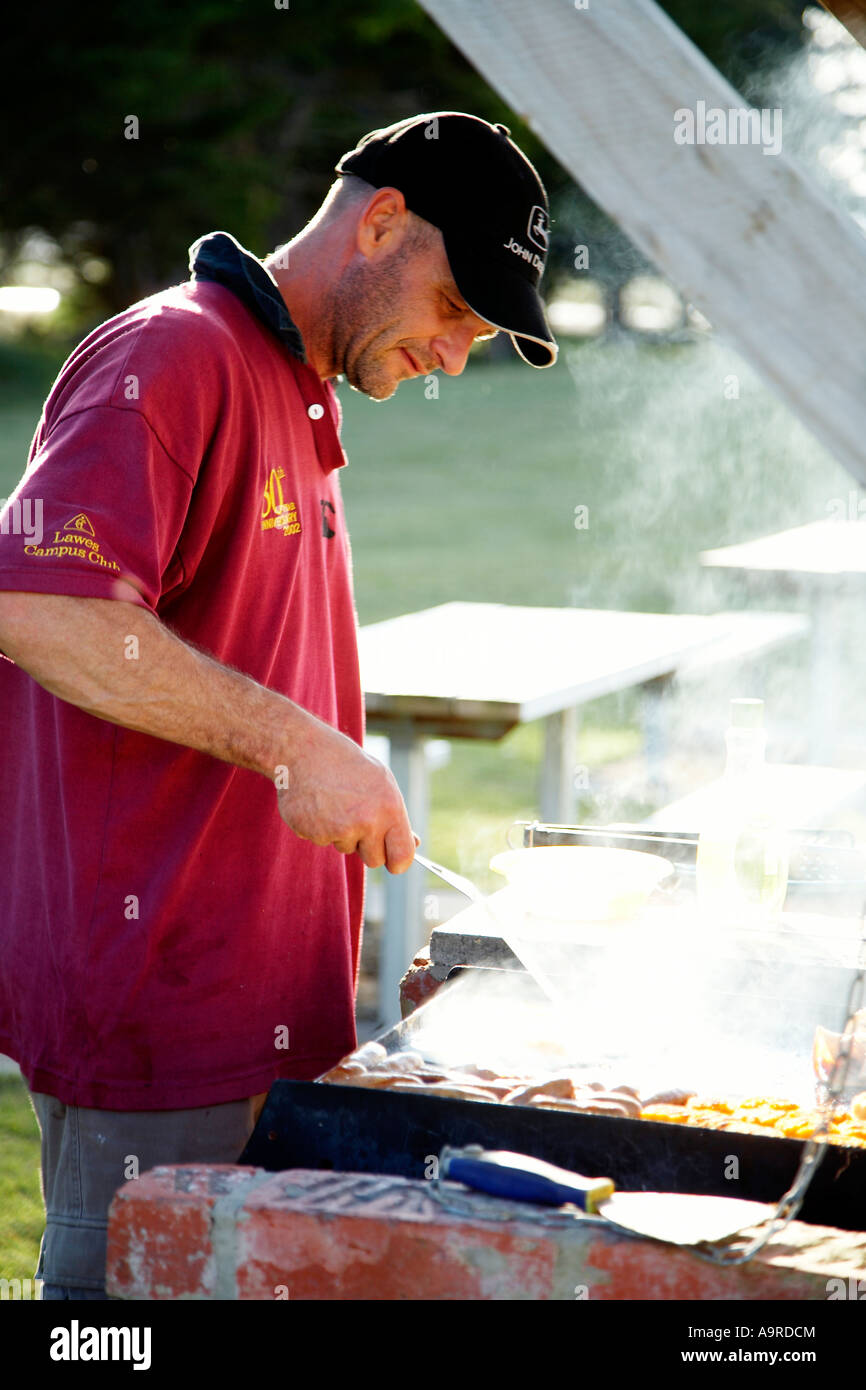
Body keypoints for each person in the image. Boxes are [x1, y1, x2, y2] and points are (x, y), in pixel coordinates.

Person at [0, 111, 557, 1299]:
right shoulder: (176, 354)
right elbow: (41, 609)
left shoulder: (303, 386)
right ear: (382, 223)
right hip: (154, 1025)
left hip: (267, 1017)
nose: (458, 356)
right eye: (458, 309)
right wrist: (299, 742)